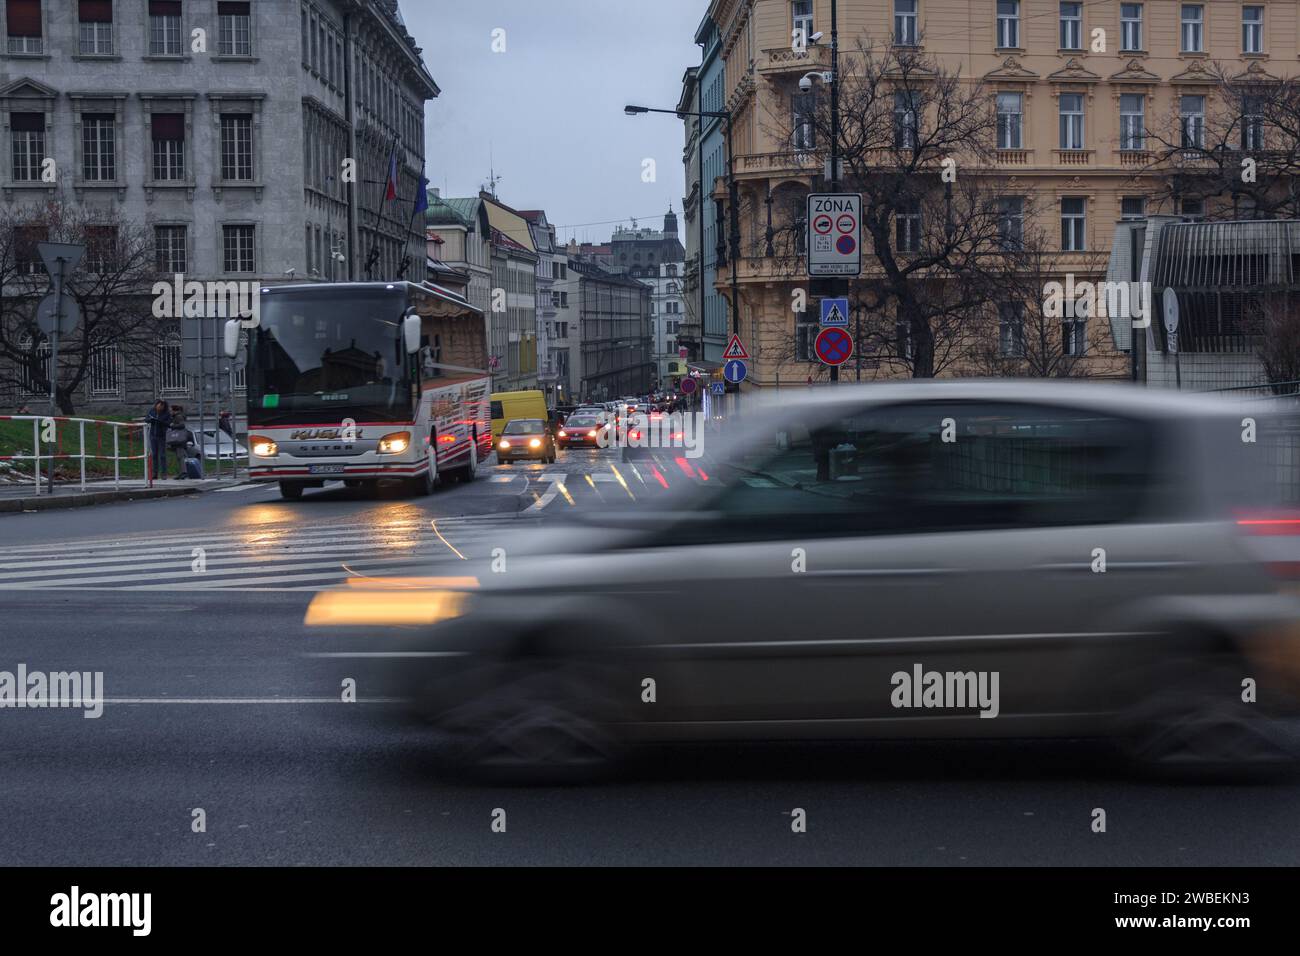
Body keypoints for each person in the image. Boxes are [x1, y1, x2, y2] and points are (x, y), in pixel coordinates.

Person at [145, 399, 171, 480]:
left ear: (164, 407)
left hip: (161, 436)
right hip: (153, 435)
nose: (159, 407)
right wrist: (151, 420)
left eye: (161, 406)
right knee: (154, 455)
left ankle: (163, 473)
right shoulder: (152, 411)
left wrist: (160, 422)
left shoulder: (166, 414)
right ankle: (154, 473)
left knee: (162, 455)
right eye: (158, 405)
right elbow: (146, 419)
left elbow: (168, 423)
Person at [165, 404, 192, 478]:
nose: (170, 412)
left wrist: (172, 426)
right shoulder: (176, 416)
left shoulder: (178, 416)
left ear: (175, 410)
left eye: (171, 410)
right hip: (178, 440)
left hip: (179, 440)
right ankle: (181, 472)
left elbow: (182, 425)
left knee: (180, 457)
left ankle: (183, 472)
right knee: (179, 456)